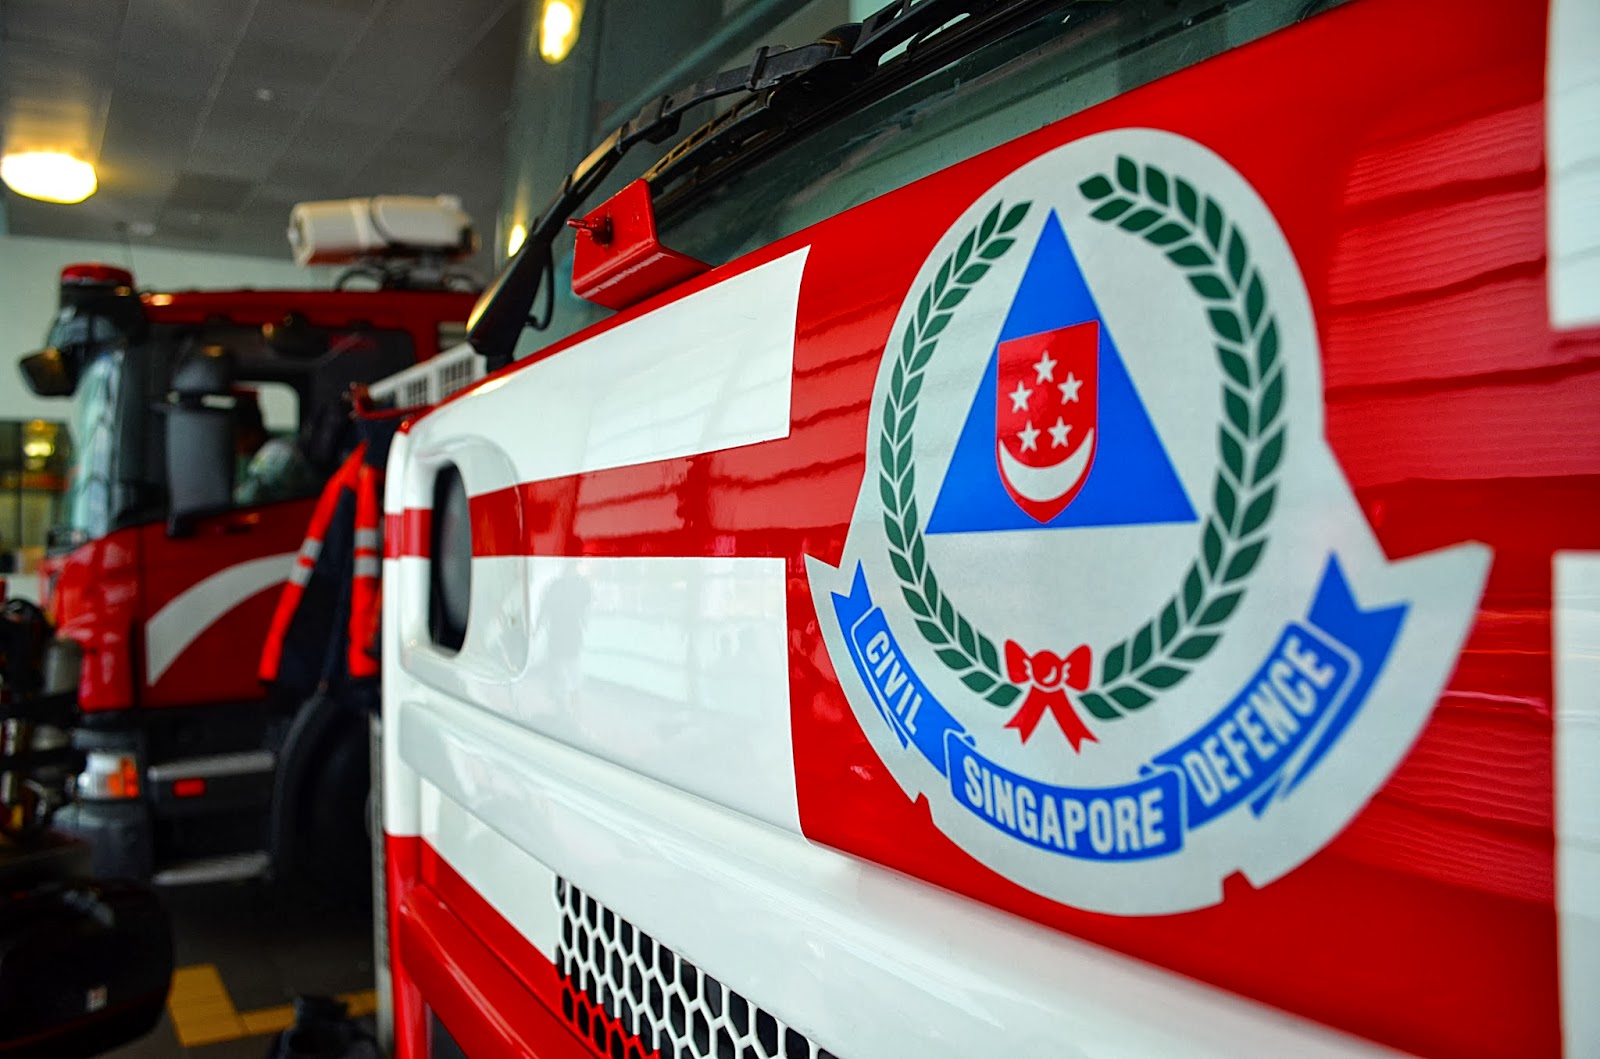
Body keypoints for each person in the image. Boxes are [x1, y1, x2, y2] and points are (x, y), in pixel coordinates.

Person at [233, 391, 320, 505]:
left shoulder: (275, 456)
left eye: (236, 437)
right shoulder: (272, 450)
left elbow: (250, 498)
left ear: (251, 435)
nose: (235, 445)